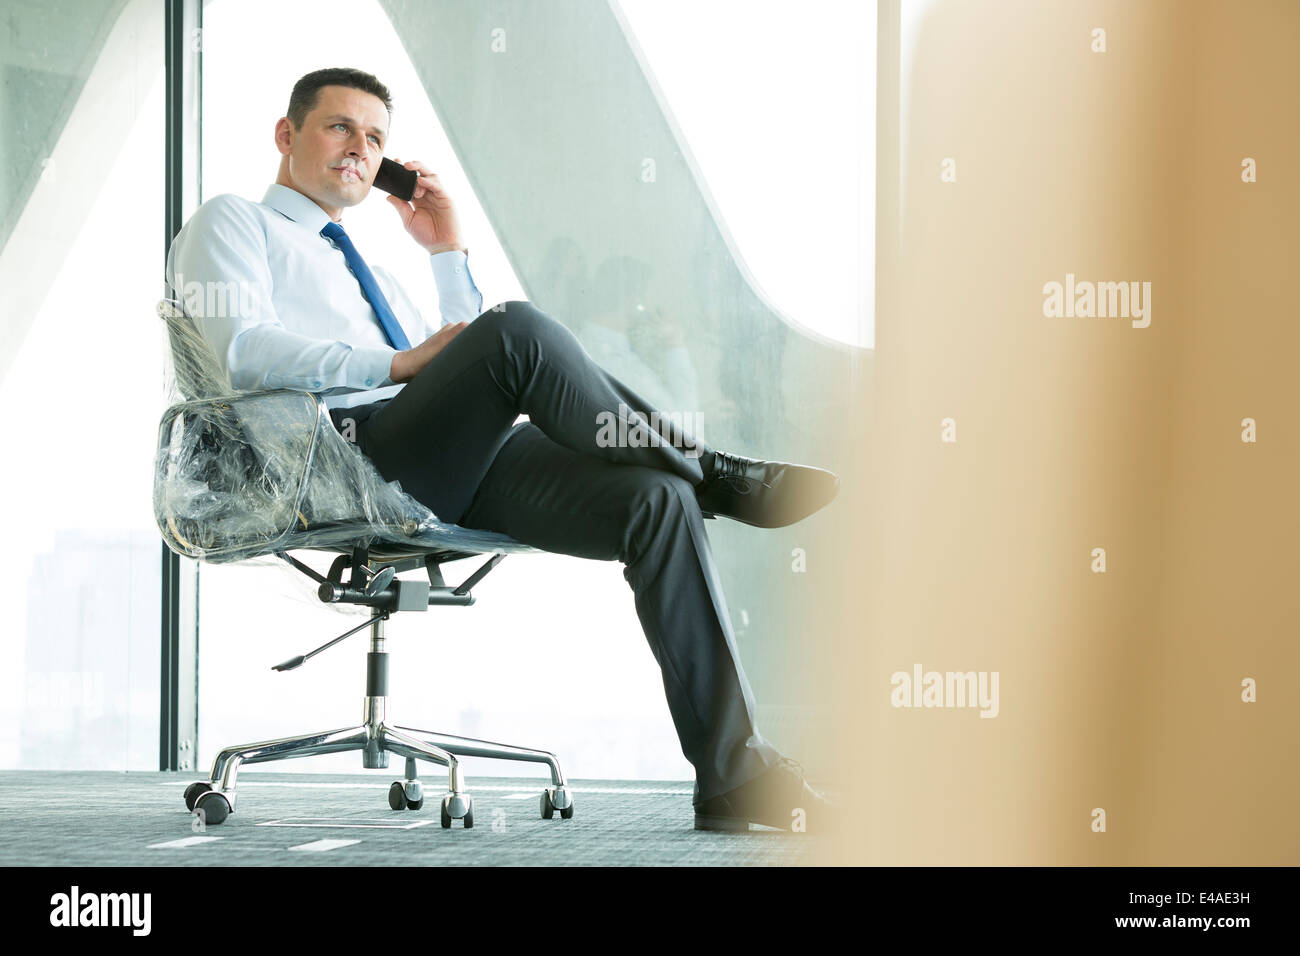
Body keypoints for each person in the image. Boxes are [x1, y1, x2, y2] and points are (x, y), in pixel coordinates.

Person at [166, 67, 839, 834]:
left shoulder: (376, 271)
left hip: (434, 463)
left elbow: (460, 360)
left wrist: (445, 250)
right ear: (287, 135)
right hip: (340, 463)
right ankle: (713, 470)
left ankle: (734, 779)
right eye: (340, 127)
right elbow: (244, 353)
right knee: (519, 329)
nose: (360, 149)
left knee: (657, 499)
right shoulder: (233, 223)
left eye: (377, 138)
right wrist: (397, 363)